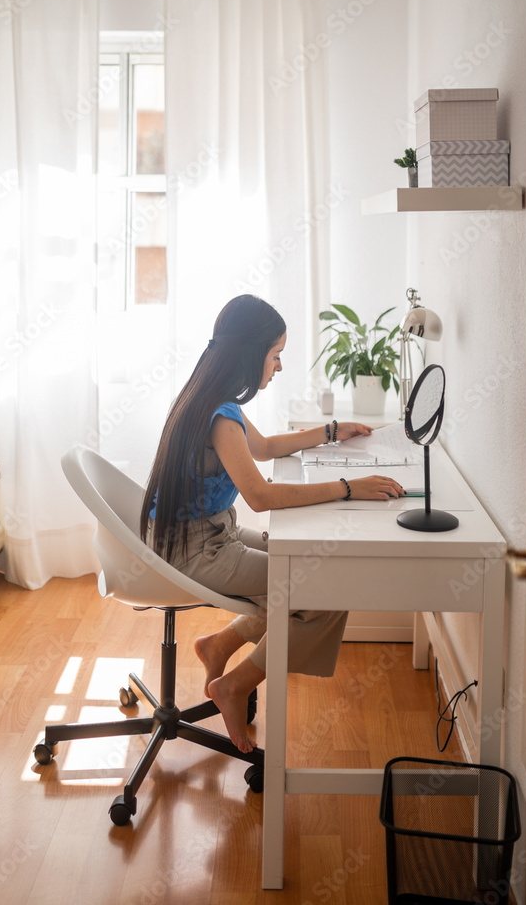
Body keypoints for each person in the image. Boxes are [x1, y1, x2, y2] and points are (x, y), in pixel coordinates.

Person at [140, 294, 404, 754]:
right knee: (319, 590)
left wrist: (328, 432)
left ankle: (219, 646)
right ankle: (234, 685)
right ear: (250, 355)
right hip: (195, 548)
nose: (278, 366)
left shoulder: (210, 397)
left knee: (300, 569)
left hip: (202, 533)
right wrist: (347, 486)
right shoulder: (219, 415)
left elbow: (260, 447)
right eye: (275, 355)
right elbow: (260, 497)